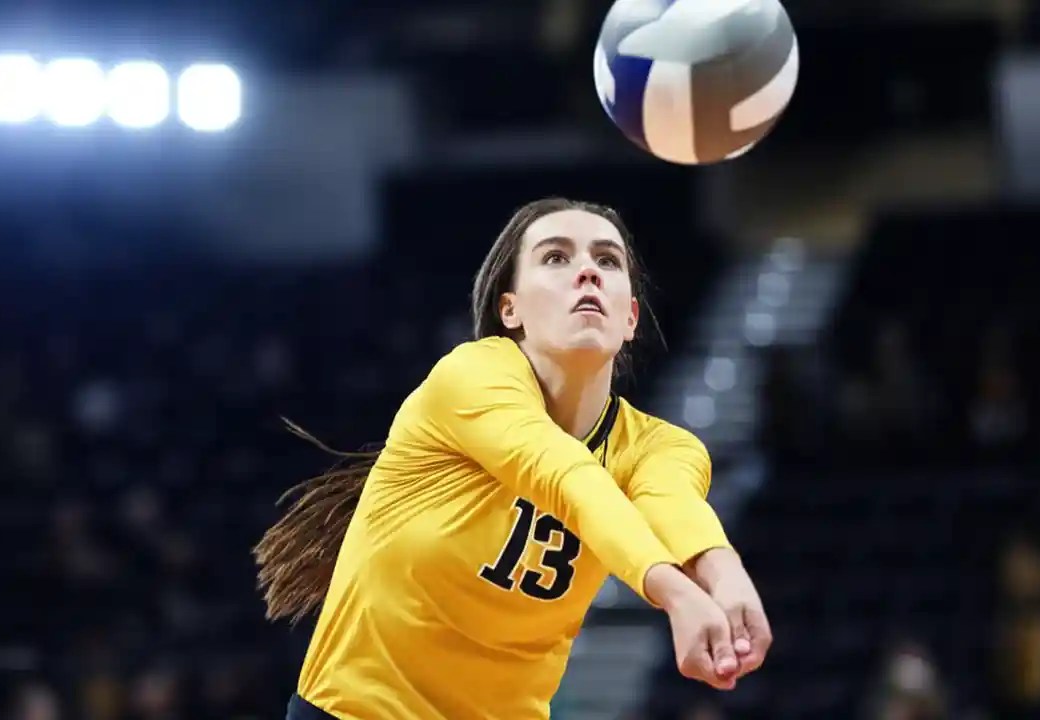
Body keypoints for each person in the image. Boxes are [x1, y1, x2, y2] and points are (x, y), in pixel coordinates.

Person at [254, 198, 771, 719]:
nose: (587, 270)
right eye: (556, 258)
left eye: (608, 261)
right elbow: (563, 474)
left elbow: (675, 506)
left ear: (630, 316)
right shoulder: (471, 376)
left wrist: (727, 581)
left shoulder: (661, 446)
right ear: (511, 310)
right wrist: (676, 594)